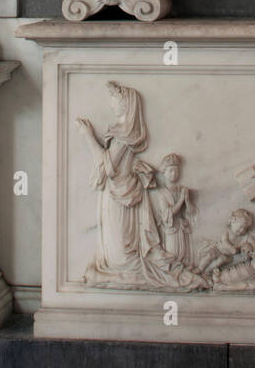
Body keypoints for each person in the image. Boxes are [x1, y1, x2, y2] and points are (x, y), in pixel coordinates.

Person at [76, 82, 204, 290]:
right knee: (118, 257)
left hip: (120, 196)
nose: (111, 105)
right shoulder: (125, 132)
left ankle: (122, 276)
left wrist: (87, 136)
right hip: (121, 192)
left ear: (127, 104)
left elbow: (106, 164)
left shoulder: (124, 136)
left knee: (121, 260)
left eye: (115, 100)